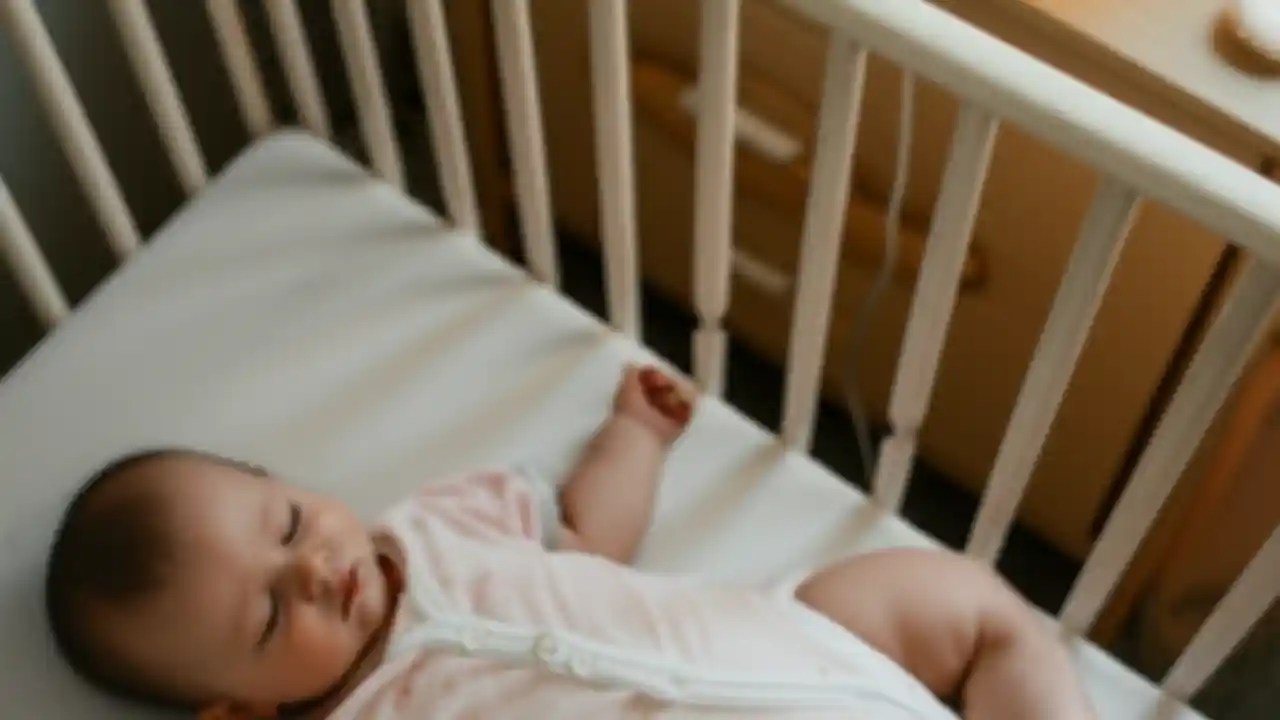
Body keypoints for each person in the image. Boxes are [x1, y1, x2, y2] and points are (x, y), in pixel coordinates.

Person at [46, 365, 1095, 719]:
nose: (317, 570)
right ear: (239, 708)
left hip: (786, 638)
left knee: (952, 598)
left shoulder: (435, 523)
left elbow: (590, 533)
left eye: (287, 525)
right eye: (270, 614)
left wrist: (633, 436)